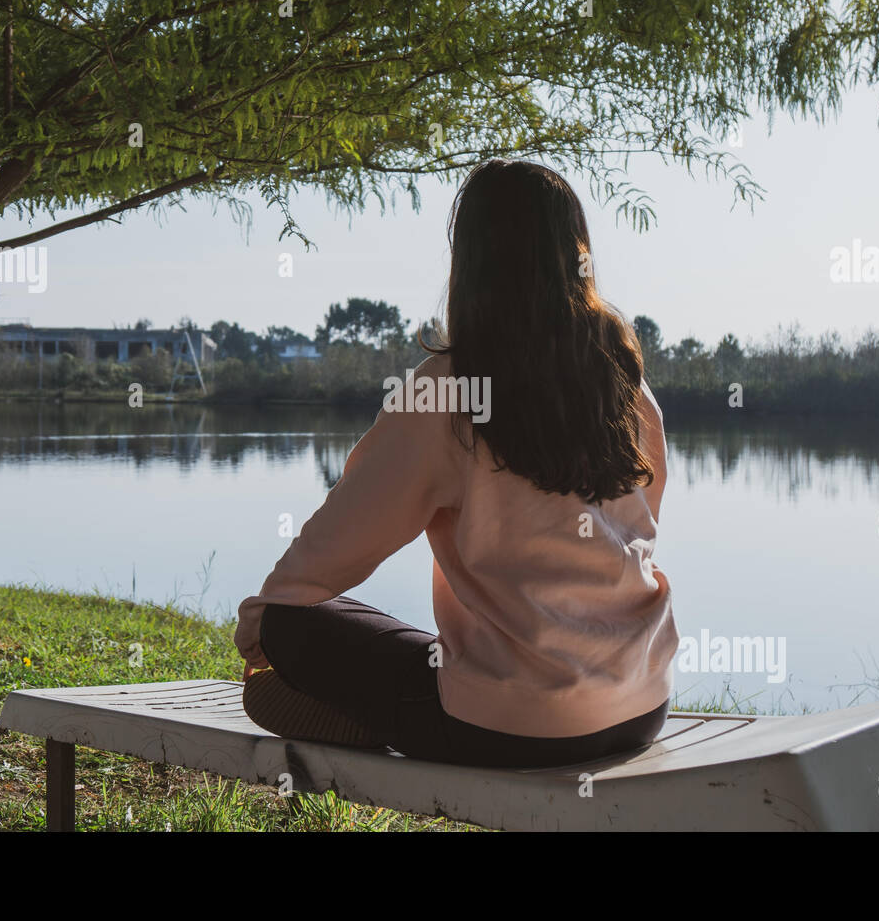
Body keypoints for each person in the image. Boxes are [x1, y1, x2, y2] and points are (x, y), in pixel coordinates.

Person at [233, 158, 677, 769]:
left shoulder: (449, 389)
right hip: (640, 707)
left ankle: (366, 711)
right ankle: (392, 702)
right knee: (421, 648)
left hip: (505, 728)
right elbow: (643, 525)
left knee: (292, 621)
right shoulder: (626, 385)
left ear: (470, 261)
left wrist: (263, 621)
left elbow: (342, 538)